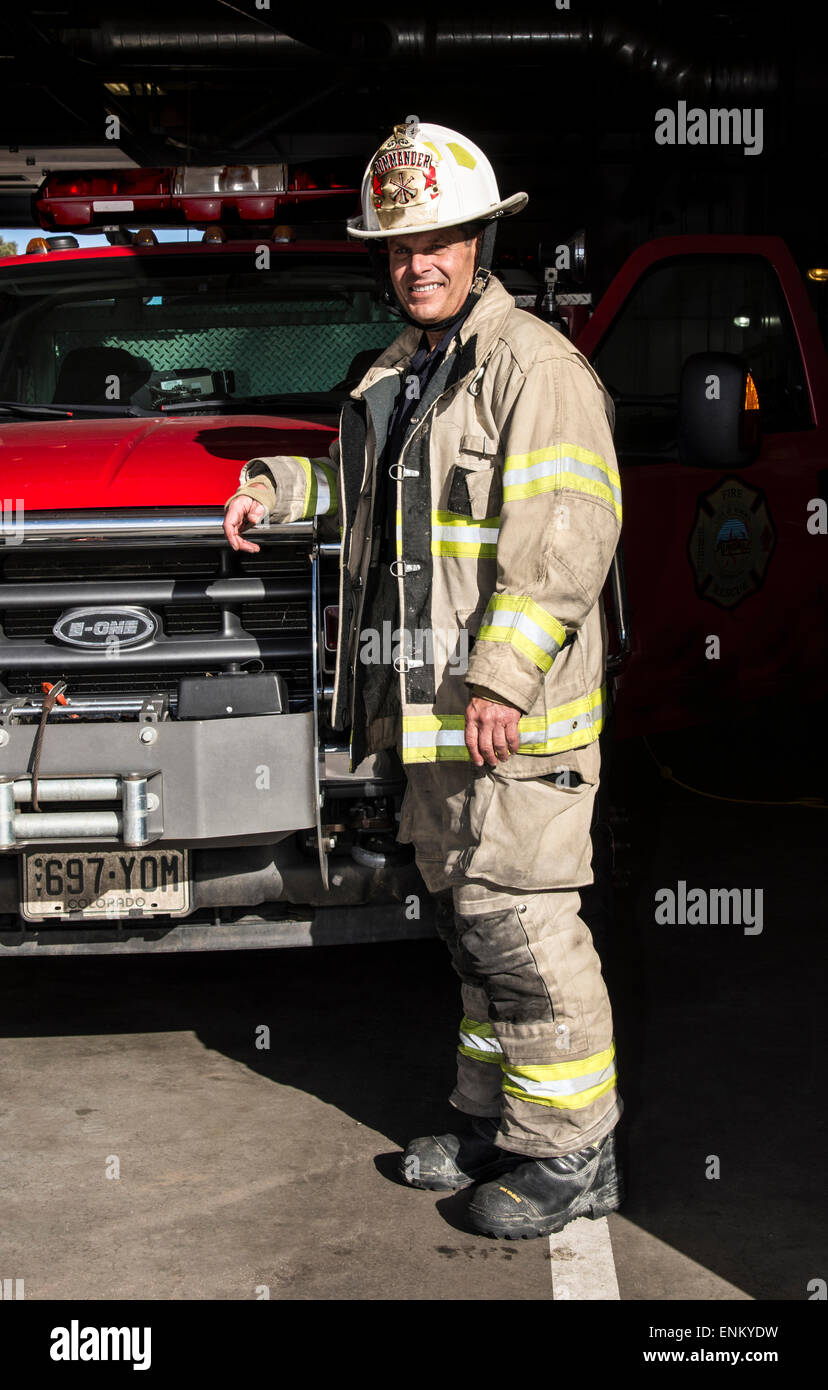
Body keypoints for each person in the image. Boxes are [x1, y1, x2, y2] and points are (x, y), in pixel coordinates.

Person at [224, 120, 624, 1239]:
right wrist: (273, 489)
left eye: (440, 240)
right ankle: (498, 1118)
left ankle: (574, 1149)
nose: (420, 263)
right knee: (470, 926)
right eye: (400, 247)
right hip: (432, 720)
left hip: (512, 719)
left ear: (481, 240)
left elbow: (566, 538)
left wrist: (502, 675)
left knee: (527, 929)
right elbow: (367, 504)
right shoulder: (399, 375)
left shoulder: (533, 368)